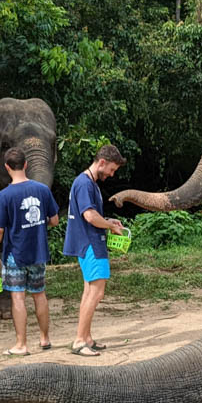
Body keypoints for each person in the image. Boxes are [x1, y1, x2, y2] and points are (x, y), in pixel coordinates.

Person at [0, 147, 60, 356]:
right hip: (38, 252)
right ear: (26, 164)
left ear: (7, 167)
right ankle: (45, 339)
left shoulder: (3, 196)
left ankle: (21, 344)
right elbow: (54, 220)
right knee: (39, 295)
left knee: (18, 298)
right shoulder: (42, 190)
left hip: (15, 255)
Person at [62, 144, 126, 357]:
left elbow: (90, 216)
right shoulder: (84, 184)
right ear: (102, 162)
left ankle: (86, 337)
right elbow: (89, 216)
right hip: (90, 244)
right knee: (96, 292)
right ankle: (80, 341)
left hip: (89, 241)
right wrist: (110, 226)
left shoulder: (89, 184)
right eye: (112, 169)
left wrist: (108, 221)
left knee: (90, 291)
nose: (112, 174)